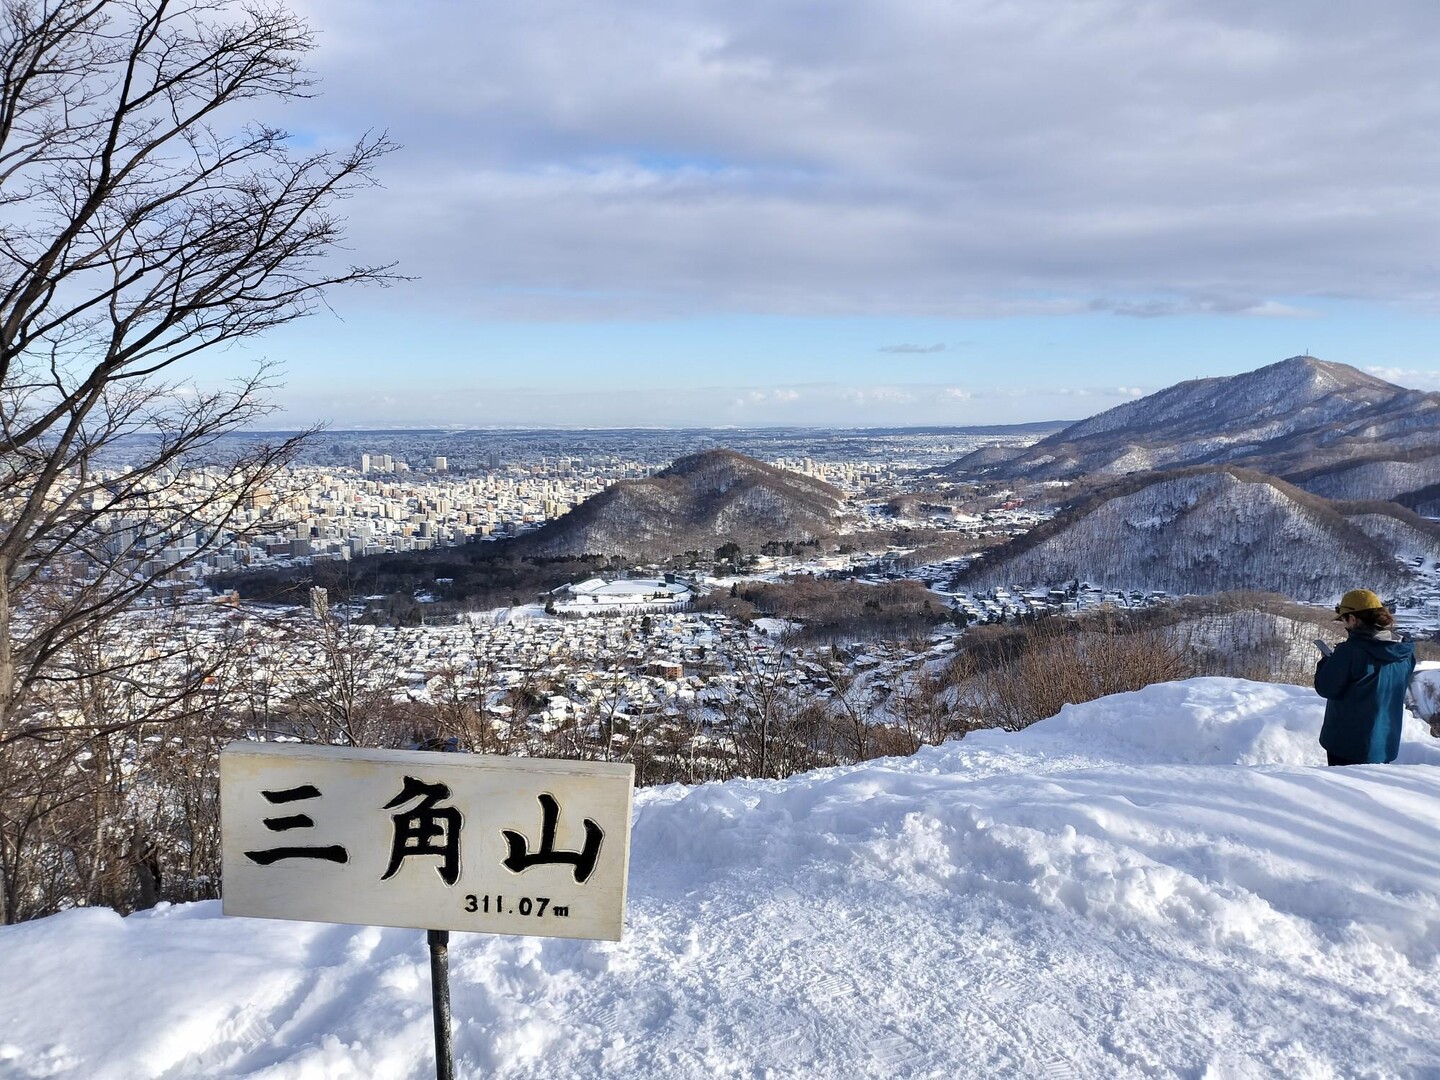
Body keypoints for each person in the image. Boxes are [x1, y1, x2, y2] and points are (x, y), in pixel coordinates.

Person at [1315, 589, 1416, 766]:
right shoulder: (1404, 652)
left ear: (1353, 619)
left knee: (1341, 792)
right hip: (1384, 742)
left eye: (1344, 620)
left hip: (1347, 744)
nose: (1344, 625)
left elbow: (1326, 687)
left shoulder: (1350, 651)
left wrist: (1327, 662)